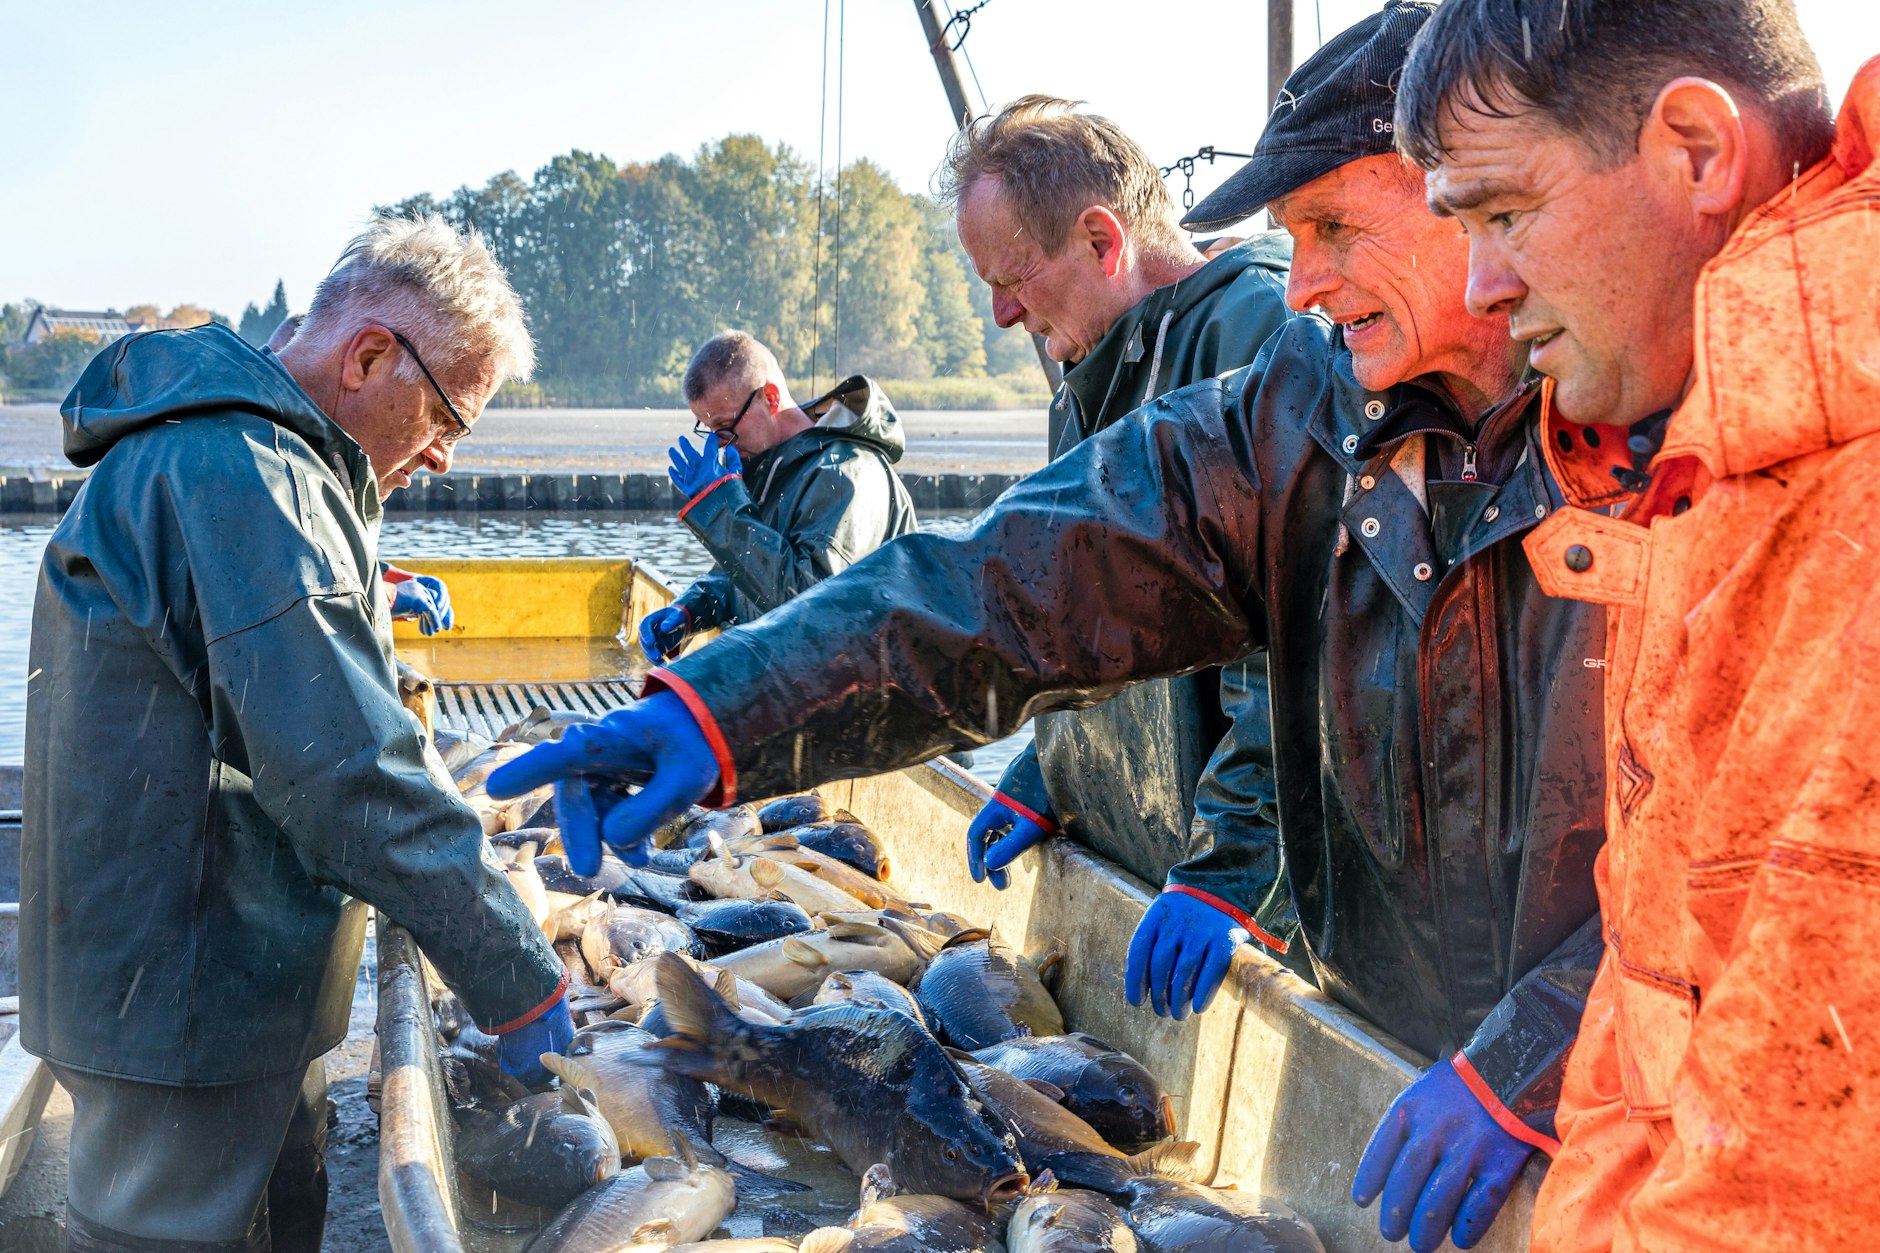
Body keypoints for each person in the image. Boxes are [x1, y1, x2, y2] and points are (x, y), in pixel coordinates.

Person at [489, 7, 1609, 1249]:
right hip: (1400, 1048)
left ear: (1478, 195)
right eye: (1292, 239)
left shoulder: (1658, 415)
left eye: (1334, 228)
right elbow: (1021, 582)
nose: (1302, 284)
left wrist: (1536, 1042)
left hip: (1612, 1104)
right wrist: (731, 706)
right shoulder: (1304, 403)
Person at [1398, 1, 1879, 1247]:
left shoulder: (1853, 513)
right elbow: (1653, 1014)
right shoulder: (1703, 475)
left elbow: (1791, 1184)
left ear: (1696, 152)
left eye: (1503, 213)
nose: (1481, 287)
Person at [23, 215, 572, 1252]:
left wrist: (361, 591)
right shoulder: (243, 472)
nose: (447, 455)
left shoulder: (239, 457)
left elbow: (228, 644)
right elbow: (347, 772)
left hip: (200, 974)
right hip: (180, 995)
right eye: (451, 412)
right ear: (371, 355)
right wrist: (513, 965)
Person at [940, 95, 1297, 921]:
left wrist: (1232, 868)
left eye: (1010, 279)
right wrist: (1051, 770)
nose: (1002, 315)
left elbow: (1289, 646)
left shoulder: (1256, 332)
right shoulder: (1082, 381)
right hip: (1149, 854)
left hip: (1250, 893)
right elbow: (1086, 621)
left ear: (1103, 241)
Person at [635, 331, 917, 662]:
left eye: (726, 426)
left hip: (865, 689)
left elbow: (809, 607)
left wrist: (721, 514)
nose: (721, 444)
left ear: (769, 397)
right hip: (794, 679)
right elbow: (745, 577)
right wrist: (689, 612)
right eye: (709, 430)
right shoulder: (767, 464)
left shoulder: (846, 472)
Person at [269, 310, 456, 637]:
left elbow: (322, 552)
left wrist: (387, 575)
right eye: (438, 416)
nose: (442, 462)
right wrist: (390, 596)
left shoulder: (316, 472)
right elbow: (291, 578)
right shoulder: (268, 464)